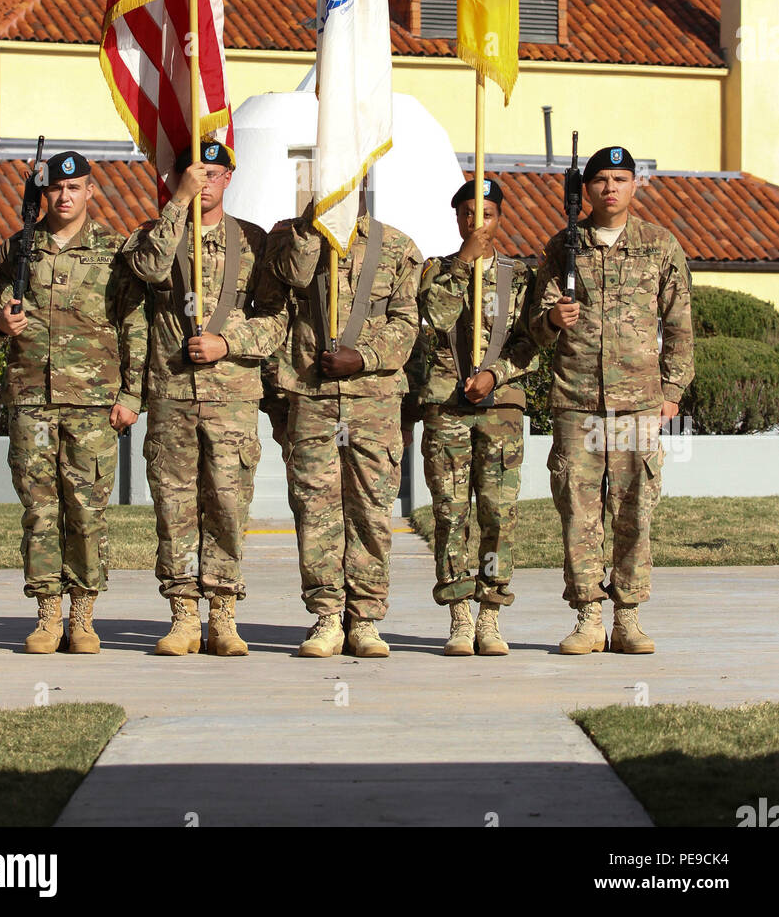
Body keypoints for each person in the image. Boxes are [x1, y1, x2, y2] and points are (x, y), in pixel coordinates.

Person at [0, 151, 147, 654]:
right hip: (32, 404)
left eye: (75, 188)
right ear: (43, 195)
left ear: (92, 192)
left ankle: (84, 616)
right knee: (40, 511)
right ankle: (48, 614)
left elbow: (135, 329)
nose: (65, 197)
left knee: (88, 511)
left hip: (94, 406)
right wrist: (0, 327)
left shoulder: (115, 254)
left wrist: (132, 395)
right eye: (55, 189)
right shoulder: (15, 253)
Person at [122, 142, 288, 657]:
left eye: (214, 174)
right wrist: (177, 203)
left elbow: (278, 320)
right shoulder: (154, 236)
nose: (206, 183)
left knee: (227, 503)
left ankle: (223, 613)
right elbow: (146, 272)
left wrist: (229, 342)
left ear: (230, 178)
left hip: (231, 398)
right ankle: (182, 614)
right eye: (196, 174)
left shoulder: (254, 243)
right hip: (171, 392)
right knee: (174, 506)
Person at [530, 145, 694, 654]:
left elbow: (680, 323)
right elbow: (533, 325)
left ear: (635, 185)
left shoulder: (659, 245)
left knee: (635, 509)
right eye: (601, 180)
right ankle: (587, 617)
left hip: (638, 402)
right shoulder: (563, 247)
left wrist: (671, 391)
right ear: (587, 188)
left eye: (620, 179)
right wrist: (552, 320)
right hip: (577, 400)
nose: (610, 189)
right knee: (579, 511)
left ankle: (628, 616)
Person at [267, 199, 421, 658]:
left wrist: (365, 357)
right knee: (316, 511)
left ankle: (366, 620)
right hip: (312, 399)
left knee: (371, 510)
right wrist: (313, 228)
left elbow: (407, 322)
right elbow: (283, 297)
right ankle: (327, 616)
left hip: (372, 402)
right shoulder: (288, 237)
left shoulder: (395, 246)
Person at [412, 178, 537, 656]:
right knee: (449, 511)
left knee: (498, 513)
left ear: (500, 218)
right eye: (467, 213)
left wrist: (495, 374)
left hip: (500, 409)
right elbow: (436, 318)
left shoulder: (519, 277)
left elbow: (532, 344)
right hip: (447, 406)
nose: (475, 221)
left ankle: (490, 613)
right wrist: (464, 263)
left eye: (485, 213)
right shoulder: (437, 271)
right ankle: (459, 615)